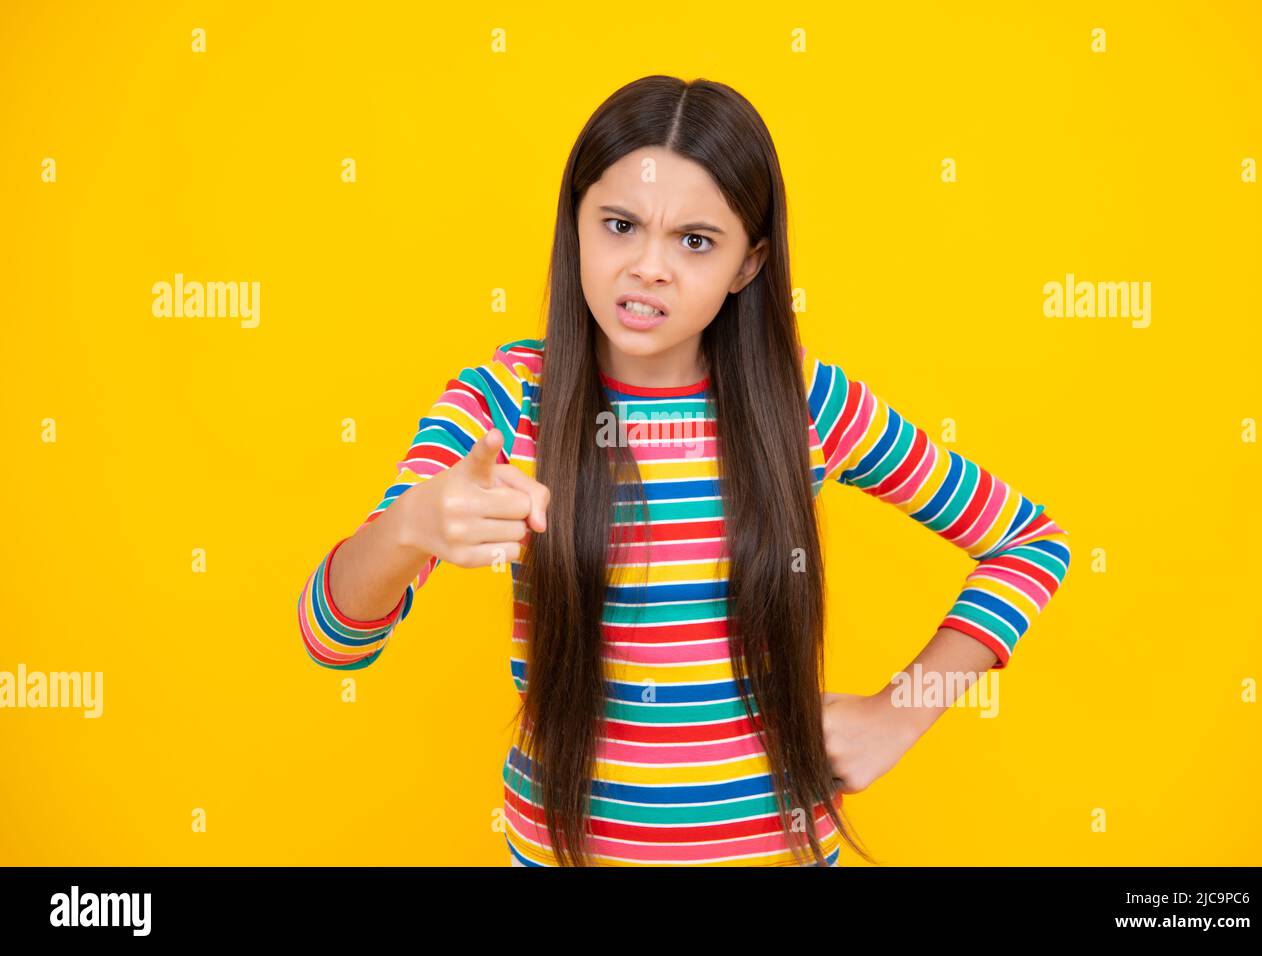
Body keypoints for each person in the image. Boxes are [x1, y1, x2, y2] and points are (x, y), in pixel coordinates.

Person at [296, 75, 1071, 867]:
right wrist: (409, 527)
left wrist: (902, 712)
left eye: (695, 241)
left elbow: (1031, 543)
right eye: (621, 225)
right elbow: (331, 637)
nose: (649, 268)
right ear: (575, 227)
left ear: (748, 263)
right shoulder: (501, 405)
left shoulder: (807, 402)